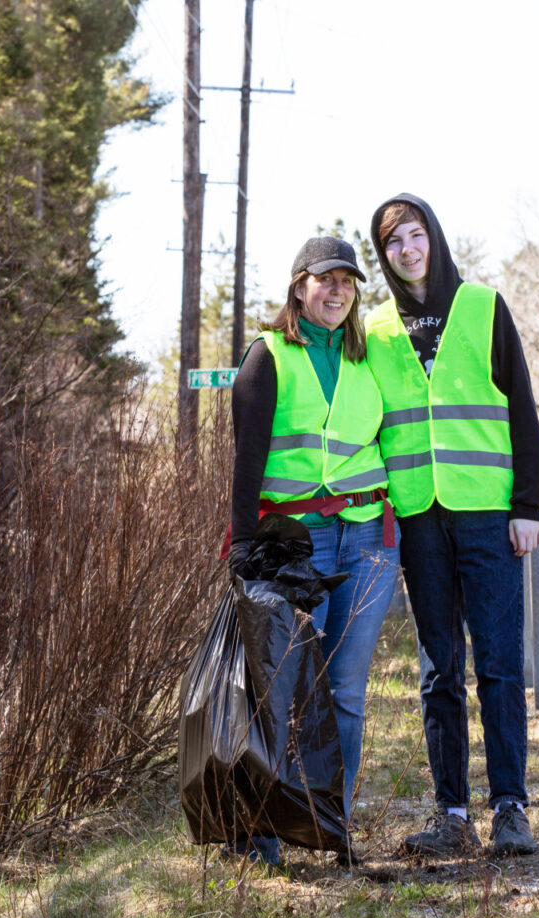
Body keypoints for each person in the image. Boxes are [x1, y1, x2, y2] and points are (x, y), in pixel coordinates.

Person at [363, 194, 539, 858]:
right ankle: (452, 816)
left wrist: (528, 506)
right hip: (419, 518)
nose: (407, 249)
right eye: (393, 242)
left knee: (499, 663)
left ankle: (511, 809)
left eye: (415, 235)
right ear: (383, 255)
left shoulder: (483, 307)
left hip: (488, 514)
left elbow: (522, 407)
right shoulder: (375, 330)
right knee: (440, 669)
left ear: (434, 238)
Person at [224, 236, 403, 865]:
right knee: (282, 687)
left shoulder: (367, 358)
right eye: (326, 280)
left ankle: (332, 825)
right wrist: (241, 544)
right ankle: (261, 832)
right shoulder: (267, 356)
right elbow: (246, 460)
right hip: (294, 542)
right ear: (299, 287)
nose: (337, 291)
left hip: (369, 537)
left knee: (346, 690)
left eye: (347, 282)